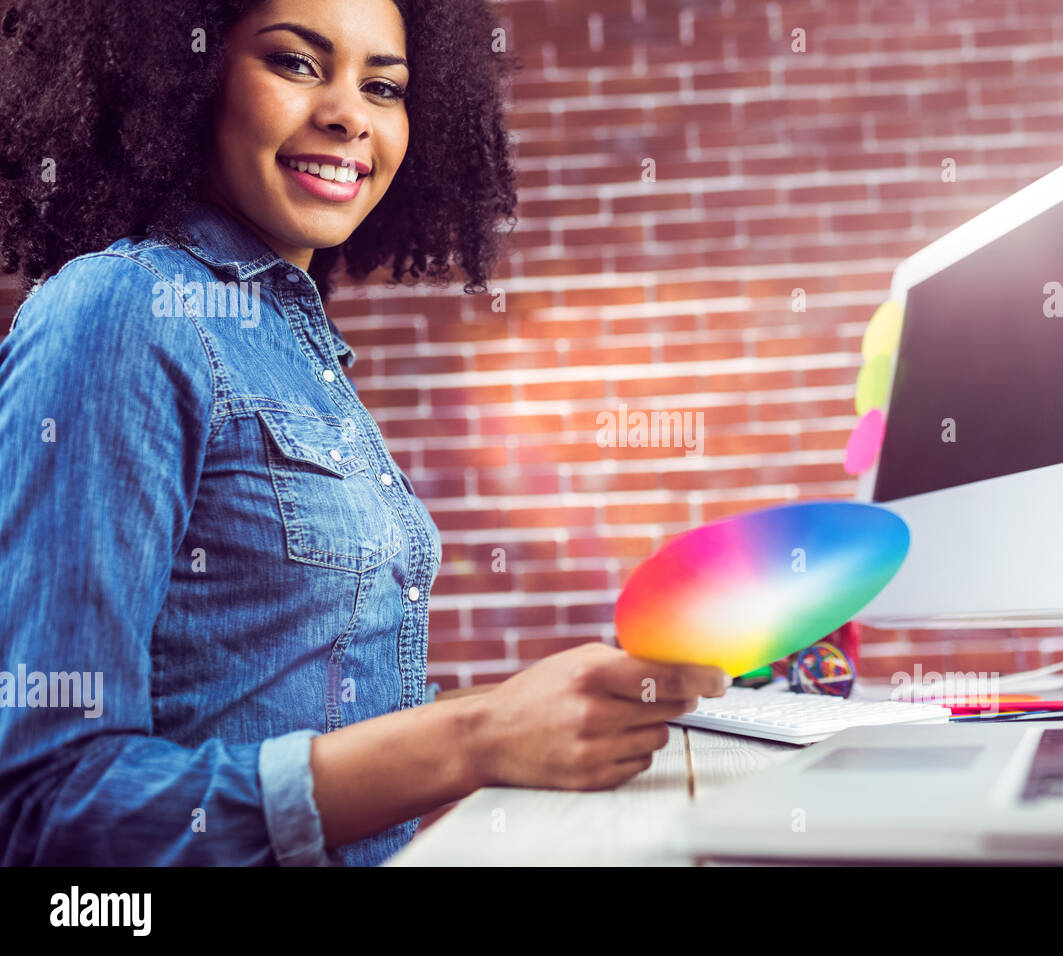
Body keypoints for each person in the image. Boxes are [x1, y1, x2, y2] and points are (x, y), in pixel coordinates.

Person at [0, 0, 728, 866]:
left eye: (383, 85)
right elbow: (50, 805)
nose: (350, 114)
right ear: (187, 77)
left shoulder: (287, 346)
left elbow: (300, 704)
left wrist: (554, 713)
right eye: (296, 63)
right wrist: (472, 737)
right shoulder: (123, 313)